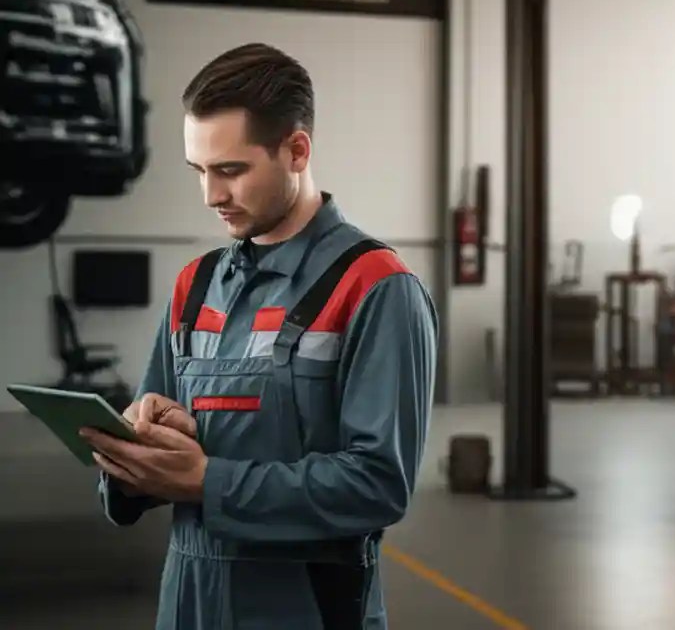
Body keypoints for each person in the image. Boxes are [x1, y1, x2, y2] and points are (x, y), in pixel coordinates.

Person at [78, 43, 438, 629]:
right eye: (200, 171)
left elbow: (378, 485)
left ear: (297, 150)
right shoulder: (194, 286)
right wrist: (133, 456)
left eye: (231, 170)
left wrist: (206, 480)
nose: (211, 196)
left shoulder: (374, 287)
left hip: (308, 609)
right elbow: (147, 457)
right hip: (187, 603)